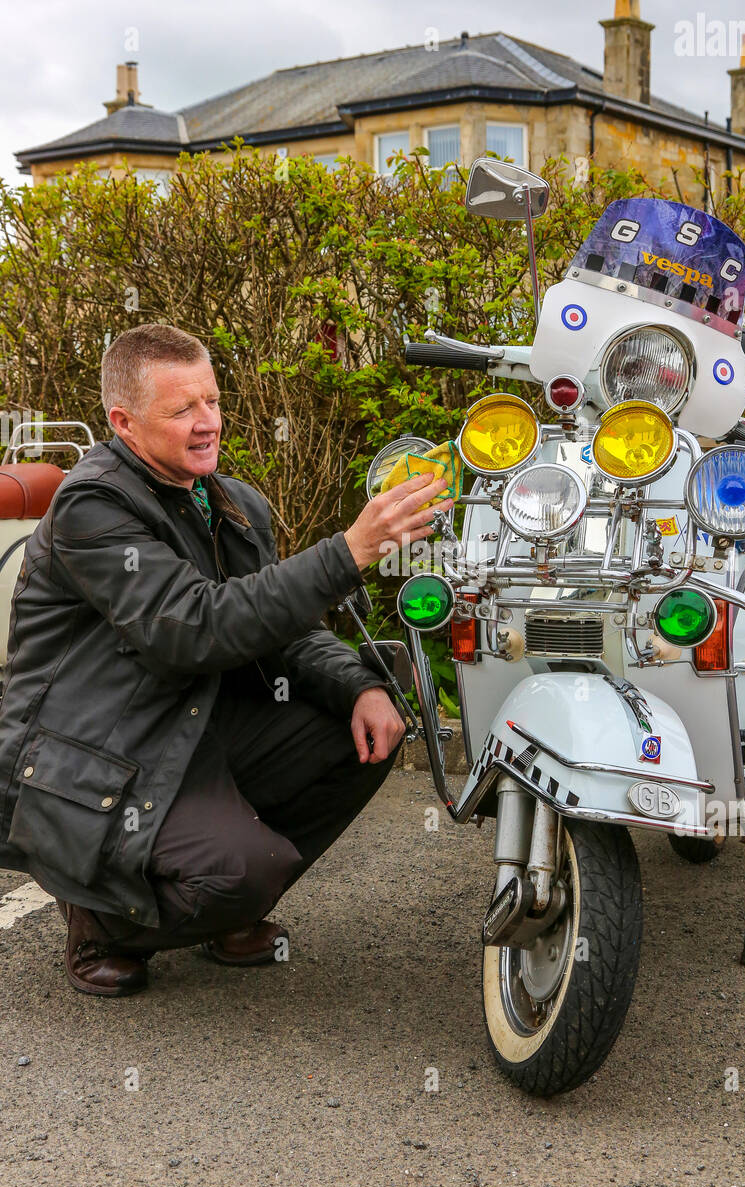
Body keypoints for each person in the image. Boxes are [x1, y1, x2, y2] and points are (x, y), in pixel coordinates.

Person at [0, 324, 451, 996]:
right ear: (124, 422)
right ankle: (102, 918)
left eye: (211, 401)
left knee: (367, 732)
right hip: (95, 749)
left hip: (185, 724)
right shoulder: (93, 507)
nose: (207, 423)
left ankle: (220, 902)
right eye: (183, 410)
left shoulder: (233, 505)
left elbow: (283, 630)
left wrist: (359, 686)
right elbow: (195, 628)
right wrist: (348, 551)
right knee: (239, 874)